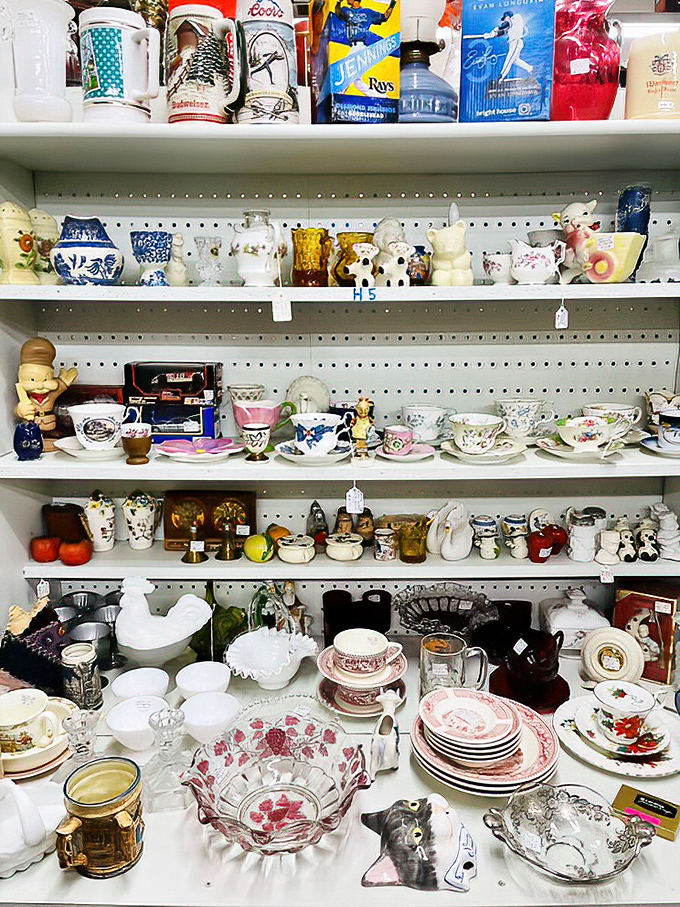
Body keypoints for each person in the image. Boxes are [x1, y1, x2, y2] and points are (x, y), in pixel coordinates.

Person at [482, 11, 535, 82]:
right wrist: (490, 35)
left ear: (508, 16)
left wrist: (494, 31)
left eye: (505, 18)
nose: (504, 20)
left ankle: (501, 77)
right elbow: (502, 32)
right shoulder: (511, 26)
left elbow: (503, 25)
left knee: (509, 60)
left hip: (516, 41)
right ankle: (530, 68)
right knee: (515, 60)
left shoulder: (516, 17)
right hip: (513, 43)